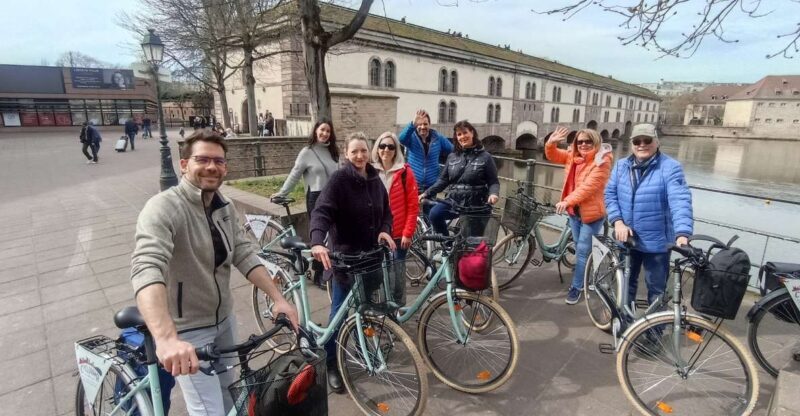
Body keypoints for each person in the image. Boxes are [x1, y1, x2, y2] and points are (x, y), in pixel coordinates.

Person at [130, 130, 299, 416]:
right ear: (184, 165)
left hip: (224, 320)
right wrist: (167, 338)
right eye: (203, 159)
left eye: (218, 161)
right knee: (209, 410)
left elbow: (244, 254)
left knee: (229, 394)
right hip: (188, 329)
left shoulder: (224, 206)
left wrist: (279, 298)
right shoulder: (163, 208)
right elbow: (147, 267)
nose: (212, 167)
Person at [309, 132, 396, 394]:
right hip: (345, 260)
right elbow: (322, 211)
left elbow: (387, 213)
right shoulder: (339, 180)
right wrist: (316, 240)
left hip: (370, 257)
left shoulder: (374, 179)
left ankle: (358, 342)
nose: (360, 156)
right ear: (346, 154)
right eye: (354, 151)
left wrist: (384, 229)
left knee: (365, 306)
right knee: (339, 313)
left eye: (363, 151)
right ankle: (332, 363)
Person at [605, 123, 693, 305]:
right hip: (626, 238)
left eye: (647, 140)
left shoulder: (670, 167)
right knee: (626, 284)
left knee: (657, 289)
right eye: (637, 141)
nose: (642, 144)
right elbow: (610, 194)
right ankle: (624, 323)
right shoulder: (621, 165)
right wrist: (618, 221)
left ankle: (655, 331)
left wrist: (682, 234)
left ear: (657, 142)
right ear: (632, 144)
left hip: (657, 243)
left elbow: (680, 200)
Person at [544, 126, 613, 305]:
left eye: (588, 141)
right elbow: (553, 156)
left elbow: (588, 187)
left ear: (596, 142)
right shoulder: (572, 157)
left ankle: (577, 287)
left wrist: (567, 201)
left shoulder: (602, 161)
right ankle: (594, 267)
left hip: (591, 213)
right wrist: (551, 143)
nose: (583, 144)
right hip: (574, 212)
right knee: (582, 245)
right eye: (580, 141)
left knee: (582, 251)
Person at [273, 120, 339, 288]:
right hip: (316, 197)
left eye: (328, 131)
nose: (325, 134)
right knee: (320, 236)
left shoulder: (333, 152)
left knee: (334, 235)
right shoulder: (307, 152)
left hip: (334, 197)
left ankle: (331, 269)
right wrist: (282, 193)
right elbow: (295, 174)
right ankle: (318, 274)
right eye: (322, 130)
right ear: (315, 130)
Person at [420, 120, 499, 235]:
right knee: (435, 214)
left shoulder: (485, 157)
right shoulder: (452, 157)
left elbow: (493, 181)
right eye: (459, 134)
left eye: (465, 133)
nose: (462, 137)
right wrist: (427, 193)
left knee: (471, 240)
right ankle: (447, 245)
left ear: (472, 133)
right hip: (454, 200)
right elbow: (443, 180)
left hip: (476, 203)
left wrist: (494, 194)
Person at [372, 131, 419, 306]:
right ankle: (382, 306)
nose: (386, 150)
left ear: (396, 150)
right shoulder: (370, 172)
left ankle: (397, 307)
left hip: (399, 233)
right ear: (377, 149)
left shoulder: (405, 172)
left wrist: (408, 233)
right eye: (382, 146)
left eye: (391, 146)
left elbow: (413, 206)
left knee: (397, 273)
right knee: (380, 273)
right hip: (377, 233)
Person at [399, 109, 454, 194]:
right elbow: (401, 139)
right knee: (414, 207)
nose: (422, 127)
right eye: (419, 124)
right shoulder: (411, 137)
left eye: (425, 124)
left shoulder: (437, 138)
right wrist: (413, 124)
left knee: (431, 207)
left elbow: (453, 150)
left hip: (431, 186)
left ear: (429, 124)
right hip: (413, 184)